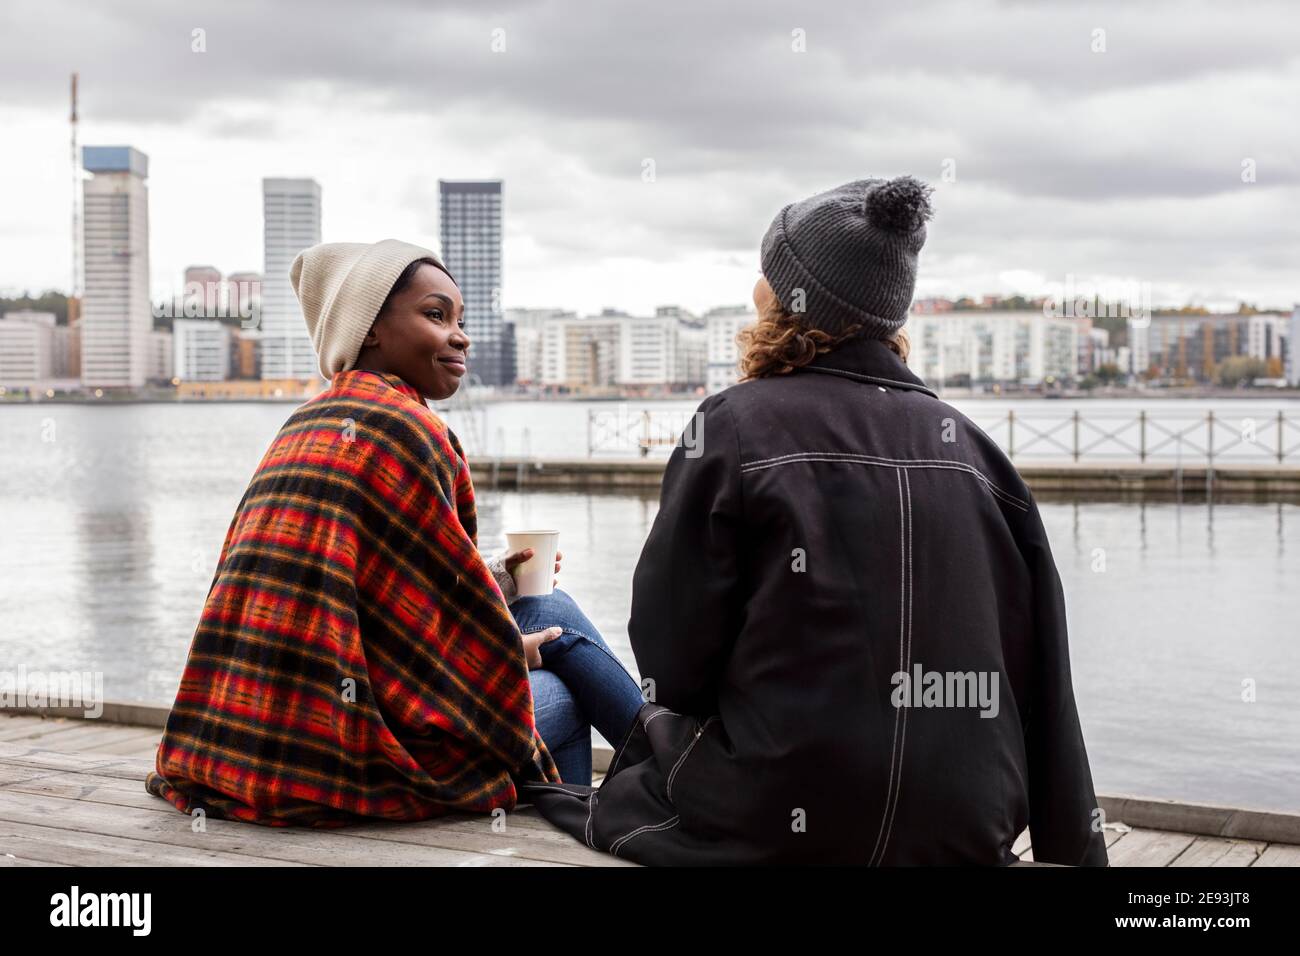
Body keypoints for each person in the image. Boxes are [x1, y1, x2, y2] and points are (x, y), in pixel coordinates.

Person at [524, 177, 1109, 866]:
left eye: (769, 274)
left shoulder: (731, 427)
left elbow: (673, 665)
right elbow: (1047, 685)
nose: (755, 289)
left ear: (793, 301)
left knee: (570, 740)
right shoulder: (980, 456)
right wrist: (1075, 850)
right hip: (963, 832)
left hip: (773, 819)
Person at [145, 238, 643, 826]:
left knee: (541, 601)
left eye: (461, 321)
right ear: (370, 329)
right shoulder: (411, 429)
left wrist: (495, 588)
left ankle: (655, 776)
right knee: (561, 680)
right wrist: (514, 658)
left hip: (238, 738)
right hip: (335, 758)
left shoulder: (304, 423)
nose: (460, 337)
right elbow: (436, 650)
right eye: (436, 316)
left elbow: (371, 601)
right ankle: (666, 778)